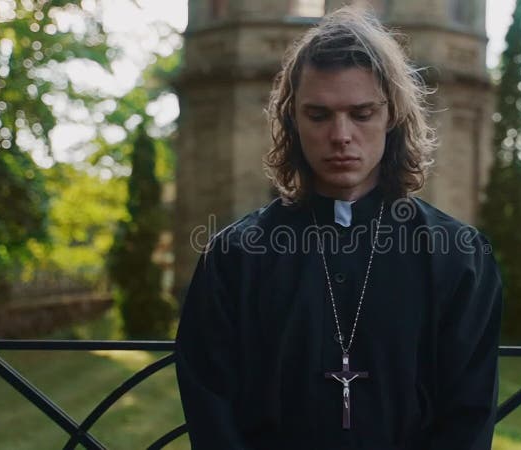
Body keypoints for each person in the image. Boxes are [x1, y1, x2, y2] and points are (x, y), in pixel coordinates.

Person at [175, 6, 502, 450]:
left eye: (362, 113)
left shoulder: (459, 256)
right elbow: (211, 406)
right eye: (319, 115)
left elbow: (468, 415)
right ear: (292, 120)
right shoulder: (235, 256)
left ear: (392, 117)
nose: (341, 135)